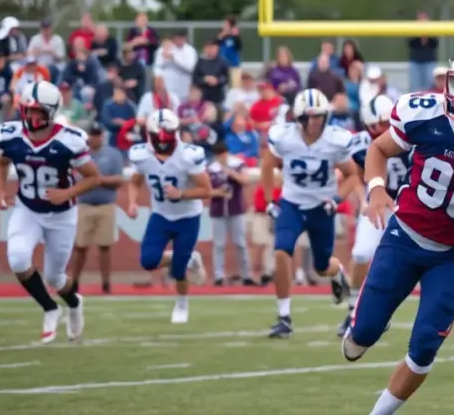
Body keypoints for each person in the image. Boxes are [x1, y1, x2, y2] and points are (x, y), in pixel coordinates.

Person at [342, 40, 454, 415]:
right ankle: (368, 322)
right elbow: (378, 149)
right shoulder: (426, 113)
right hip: (404, 237)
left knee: (424, 348)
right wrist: (375, 190)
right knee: (359, 340)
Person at [0, 81, 101, 342]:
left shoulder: (68, 141)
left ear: (51, 112)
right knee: (18, 258)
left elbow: (93, 178)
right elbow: (1, 161)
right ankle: (50, 308)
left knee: (55, 276)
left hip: (62, 215)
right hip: (27, 208)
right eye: (27, 110)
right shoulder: (10, 135)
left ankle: (74, 302)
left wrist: (67, 193)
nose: (31, 116)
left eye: (38, 111)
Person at [262, 88, 358, 338]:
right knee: (282, 250)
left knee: (322, 267)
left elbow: (351, 174)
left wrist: (337, 199)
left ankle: (337, 273)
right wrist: (271, 199)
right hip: (291, 204)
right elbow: (267, 165)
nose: (316, 121)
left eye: (320, 116)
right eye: (311, 116)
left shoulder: (335, 139)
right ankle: (283, 317)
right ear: (300, 117)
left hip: (321, 207)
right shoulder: (284, 137)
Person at [126, 109, 211, 324]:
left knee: (179, 271)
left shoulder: (188, 155)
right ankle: (187, 257)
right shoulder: (142, 154)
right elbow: (135, 181)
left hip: (188, 217)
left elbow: (206, 191)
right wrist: (132, 202)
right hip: (161, 215)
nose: (163, 142)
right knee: (148, 261)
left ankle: (182, 303)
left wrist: (182, 194)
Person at [336, 94, 410, 337]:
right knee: (360, 253)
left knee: (396, 264)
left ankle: (380, 312)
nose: (379, 130)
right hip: (377, 203)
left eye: (384, 124)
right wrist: (362, 198)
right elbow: (356, 171)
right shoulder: (360, 143)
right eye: (374, 126)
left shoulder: (411, 137)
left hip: (405, 206)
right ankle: (352, 309)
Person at [70, 122, 128, 294]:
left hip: (106, 204)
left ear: (102, 135)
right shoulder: (80, 154)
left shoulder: (113, 154)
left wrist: (99, 179)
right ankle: (74, 281)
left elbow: (119, 179)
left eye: (98, 134)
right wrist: (92, 180)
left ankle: (106, 282)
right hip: (84, 203)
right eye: (93, 134)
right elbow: (73, 176)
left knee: (105, 246)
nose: (95, 137)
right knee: (80, 246)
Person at [208, 140, 254, 286]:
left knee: (240, 243)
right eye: (218, 156)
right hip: (218, 209)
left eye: (223, 155)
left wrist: (232, 174)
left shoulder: (237, 164)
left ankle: (246, 275)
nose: (221, 158)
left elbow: (246, 181)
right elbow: (206, 190)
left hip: (236, 209)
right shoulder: (211, 169)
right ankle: (218, 276)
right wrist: (219, 192)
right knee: (219, 244)